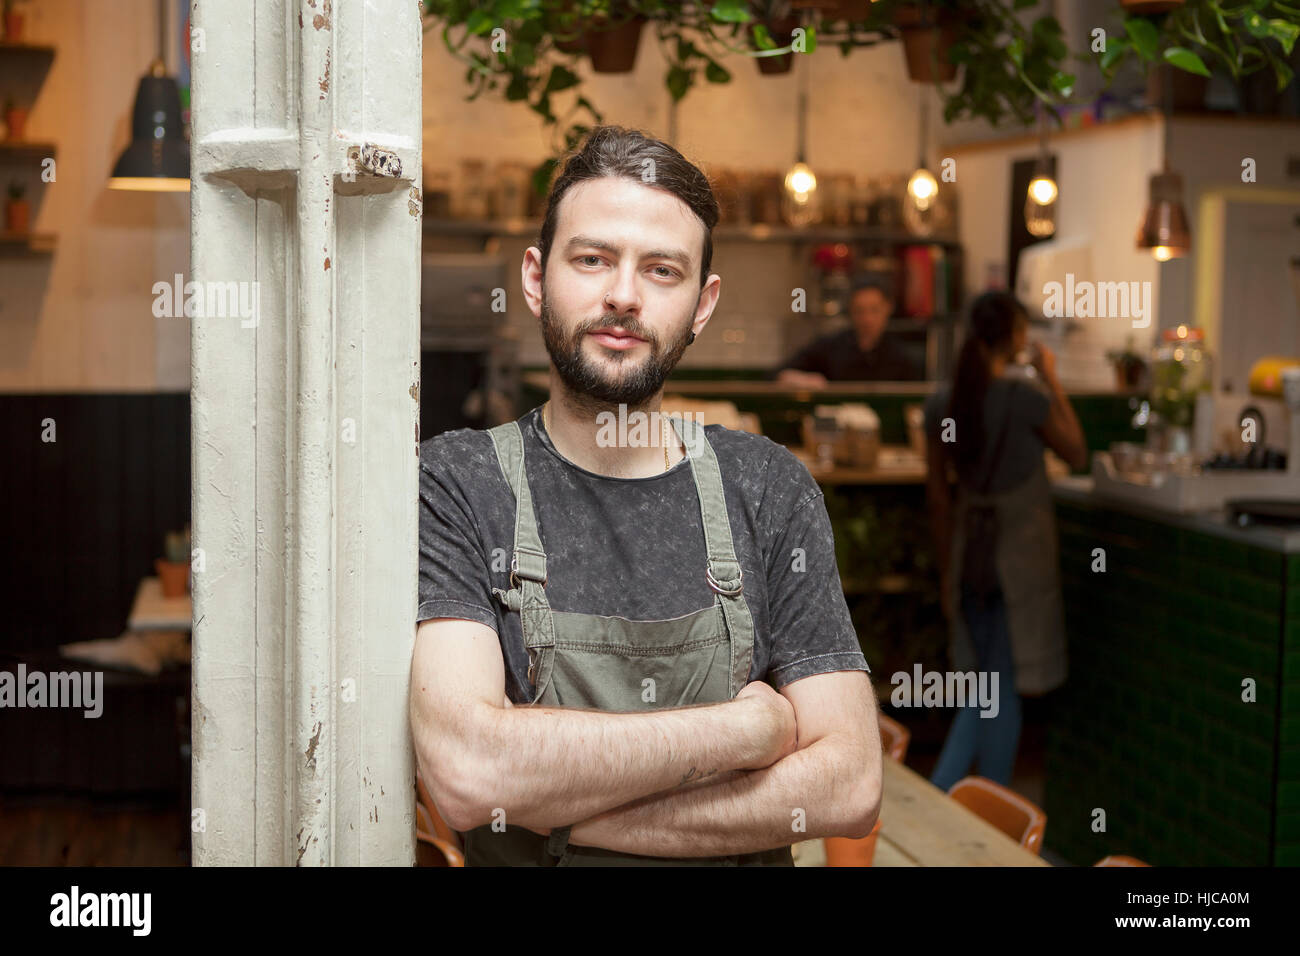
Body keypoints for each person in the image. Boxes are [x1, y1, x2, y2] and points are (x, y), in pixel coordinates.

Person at [411, 125, 881, 867]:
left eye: (662, 270)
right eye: (593, 259)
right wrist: (747, 734)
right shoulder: (458, 483)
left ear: (702, 303)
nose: (623, 296)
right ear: (536, 278)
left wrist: (546, 811)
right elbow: (470, 774)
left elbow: (849, 785)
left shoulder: (767, 486)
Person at [922, 291, 1087, 793]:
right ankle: (946, 795)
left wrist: (947, 565)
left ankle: (979, 807)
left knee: (988, 683)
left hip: (971, 560)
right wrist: (1051, 377)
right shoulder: (1025, 398)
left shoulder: (942, 404)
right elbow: (1077, 452)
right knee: (999, 689)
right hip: (1017, 564)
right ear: (1015, 337)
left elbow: (938, 497)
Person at [774, 277, 922, 385]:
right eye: (860, 311)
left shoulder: (902, 356)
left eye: (874, 310)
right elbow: (776, 375)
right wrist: (804, 380)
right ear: (850, 311)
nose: (867, 319)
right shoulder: (828, 347)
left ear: (888, 308)